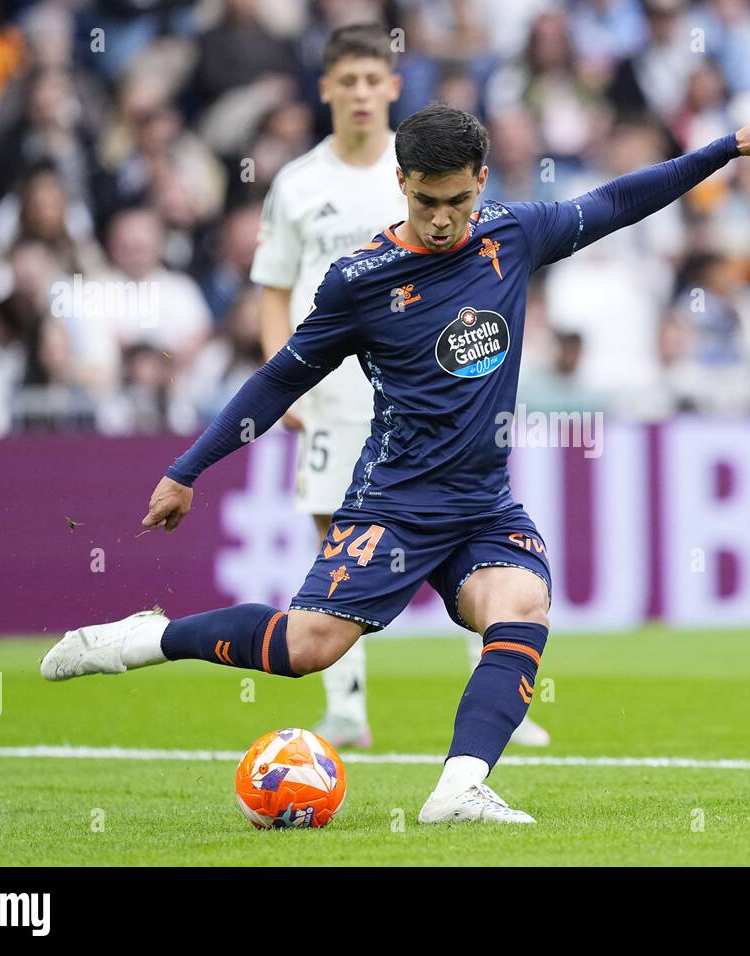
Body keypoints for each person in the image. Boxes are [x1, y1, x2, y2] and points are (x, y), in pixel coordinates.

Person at [40, 103, 750, 824]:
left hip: (482, 504)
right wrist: (187, 470)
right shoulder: (360, 281)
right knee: (307, 650)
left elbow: (621, 198)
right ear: (401, 183)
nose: (442, 219)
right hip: (393, 504)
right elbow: (280, 378)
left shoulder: (514, 235)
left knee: (522, 607)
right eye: (428, 200)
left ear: (483, 181)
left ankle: (459, 789)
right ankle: (147, 638)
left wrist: (725, 148)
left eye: (458, 200)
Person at [249, 23, 550, 749]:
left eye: (370, 79)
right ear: (325, 89)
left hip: (429, 393)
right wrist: (283, 382)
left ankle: (495, 687)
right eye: (344, 80)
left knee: (465, 541)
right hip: (329, 391)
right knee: (335, 539)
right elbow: (273, 290)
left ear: (391, 85)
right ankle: (346, 704)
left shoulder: (428, 158)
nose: (358, 92)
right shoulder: (297, 184)